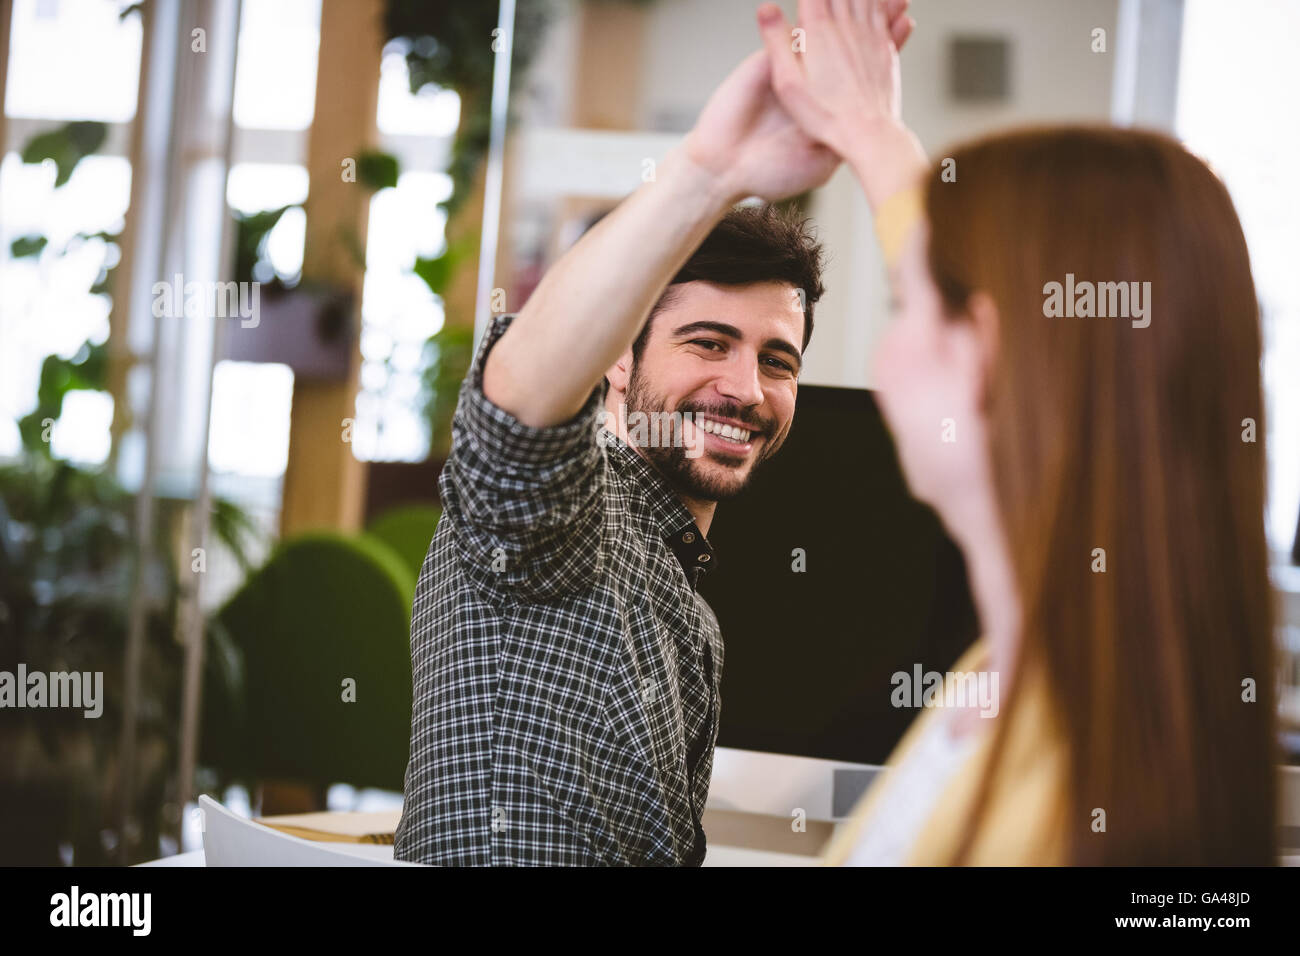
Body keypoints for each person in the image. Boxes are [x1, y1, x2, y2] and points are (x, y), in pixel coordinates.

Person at [393, 3, 917, 866]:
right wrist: (708, 172)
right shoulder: (564, 526)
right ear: (618, 364)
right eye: (707, 343)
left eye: (777, 360)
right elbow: (518, 407)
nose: (746, 388)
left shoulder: (691, 618)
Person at [754, 0, 1277, 864]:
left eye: (903, 305)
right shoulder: (1076, 676)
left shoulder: (1049, 798)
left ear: (987, 354)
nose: (885, 360)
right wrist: (866, 130)